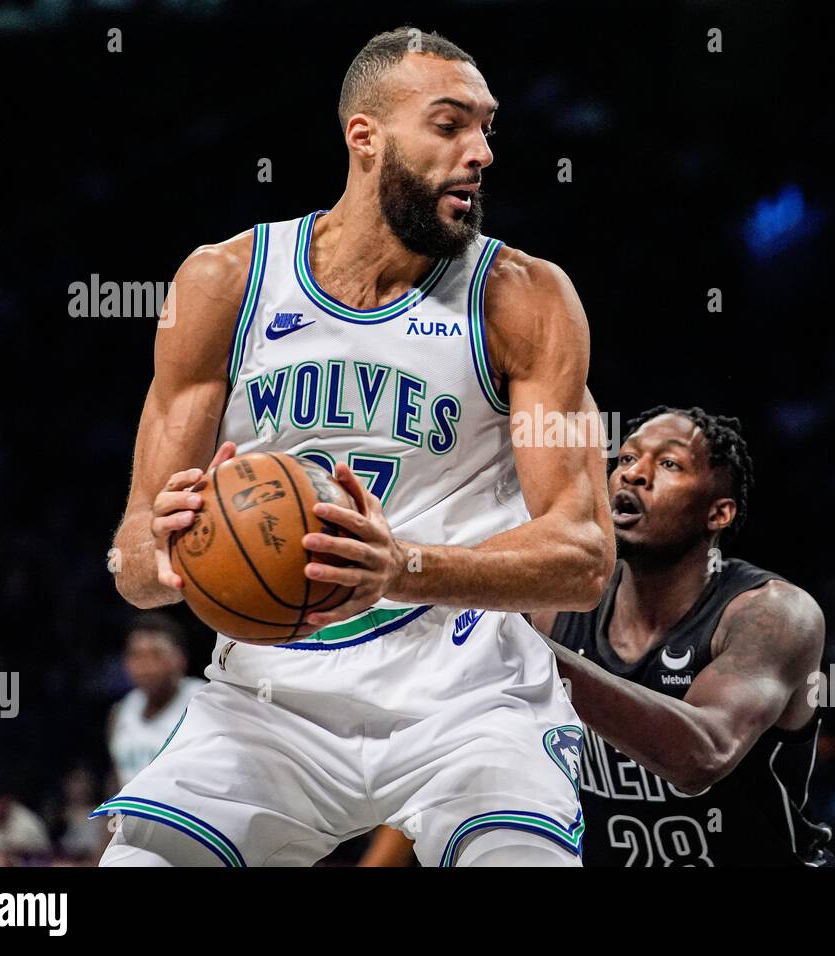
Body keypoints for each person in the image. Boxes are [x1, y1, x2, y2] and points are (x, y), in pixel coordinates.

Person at [93, 27, 613, 868]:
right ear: (363, 137)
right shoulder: (224, 283)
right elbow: (134, 562)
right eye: (449, 125)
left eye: (488, 128)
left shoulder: (524, 296)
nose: (480, 152)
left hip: (471, 703)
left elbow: (585, 557)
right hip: (271, 703)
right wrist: (166, 551)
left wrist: (401, 565)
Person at [534, 407, 835, 865]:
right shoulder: (557, 605)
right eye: (627, 458)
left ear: (718, 513)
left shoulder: (772, 614)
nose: (635, 474)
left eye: (669, 464)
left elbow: (702, 756)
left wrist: (536, 656)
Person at [107, 613, 205, 789]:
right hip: (134, 814)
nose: (145, 665)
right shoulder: (121, 711)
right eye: (136, 655)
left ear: (179, 659)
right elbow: (117, 778)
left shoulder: (204, 702)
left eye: (156, 654)